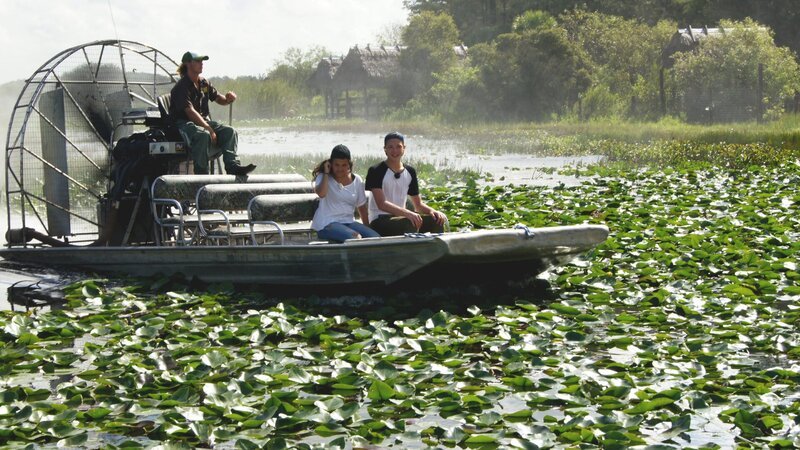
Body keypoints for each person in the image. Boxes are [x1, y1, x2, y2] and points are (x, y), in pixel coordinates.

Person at [170, 51, 255, 176]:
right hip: (184, 124)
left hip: (203, 122)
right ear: (188, 64)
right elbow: (190, 112)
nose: (201, 63)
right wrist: (208, 128)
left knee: (229, 132)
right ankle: (202, 175)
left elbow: (217, 98)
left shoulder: (204, 83)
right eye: (198, 61)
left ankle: (232, 167)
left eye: (202, 61)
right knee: (203, 135)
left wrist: (228, 99)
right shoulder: (181, 87)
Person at [365, 132, 447, 236]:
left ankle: (436, 250)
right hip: (380, 219)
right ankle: (410, 250)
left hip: (402, 217)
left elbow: (418, 205)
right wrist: (408, 213)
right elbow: (381, 204)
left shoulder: (410, 171)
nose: (394, 151)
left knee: (435, 220)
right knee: (409, 222)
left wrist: (433, 211)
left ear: (404, 148)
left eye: (398, 147)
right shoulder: (375, 170)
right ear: (385, 149)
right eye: (390, 147)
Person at [311, 144, 380, 243]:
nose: (340, 169)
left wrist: (367, 229)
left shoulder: (357, 180)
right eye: (337, 165)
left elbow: (362, 207)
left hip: (348, 222)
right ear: (330, 164)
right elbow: (322, 194)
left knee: (375, 237)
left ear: (349, 165)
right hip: (326, 223)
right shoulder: (323, 176)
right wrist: (326, 172)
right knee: (355, 238)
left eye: (344, 165)